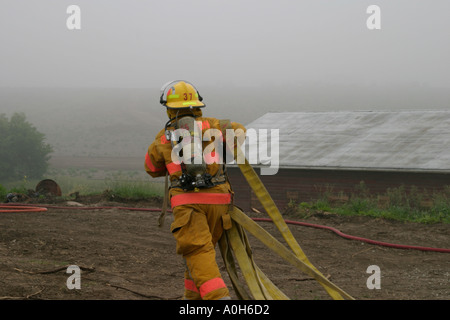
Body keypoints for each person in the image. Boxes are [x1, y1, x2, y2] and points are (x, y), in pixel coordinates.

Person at [145, 80, 246, 300]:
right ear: (197, 104)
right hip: (220, 205)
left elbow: (151, 168)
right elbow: (240, 131)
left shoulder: (163, 137)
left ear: (169, 108)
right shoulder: (214, 125)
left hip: (188, 205)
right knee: (197, 258)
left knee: (198, 253)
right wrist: (222, 149)